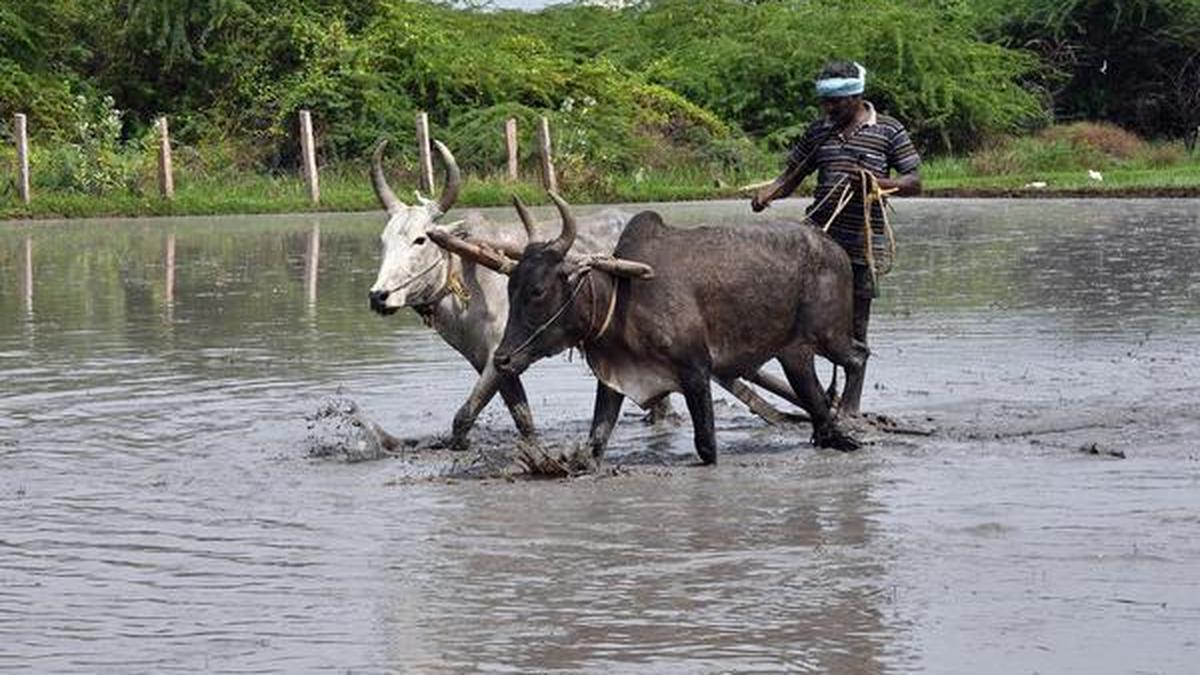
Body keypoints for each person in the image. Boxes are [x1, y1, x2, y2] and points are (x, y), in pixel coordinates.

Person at [751, 60, 922, 416]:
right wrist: (768, 194)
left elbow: (913, 182)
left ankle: (850, 405)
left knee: (856, 326)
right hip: (816, 241)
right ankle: (817, 397)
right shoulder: (819, 131)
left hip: (862, 242)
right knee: (802, 321)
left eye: (835, 102)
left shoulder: (888, 129)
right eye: (824, 102)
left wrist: (878, 184)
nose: (828, 109)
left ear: (856, 97)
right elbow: (792, 175)